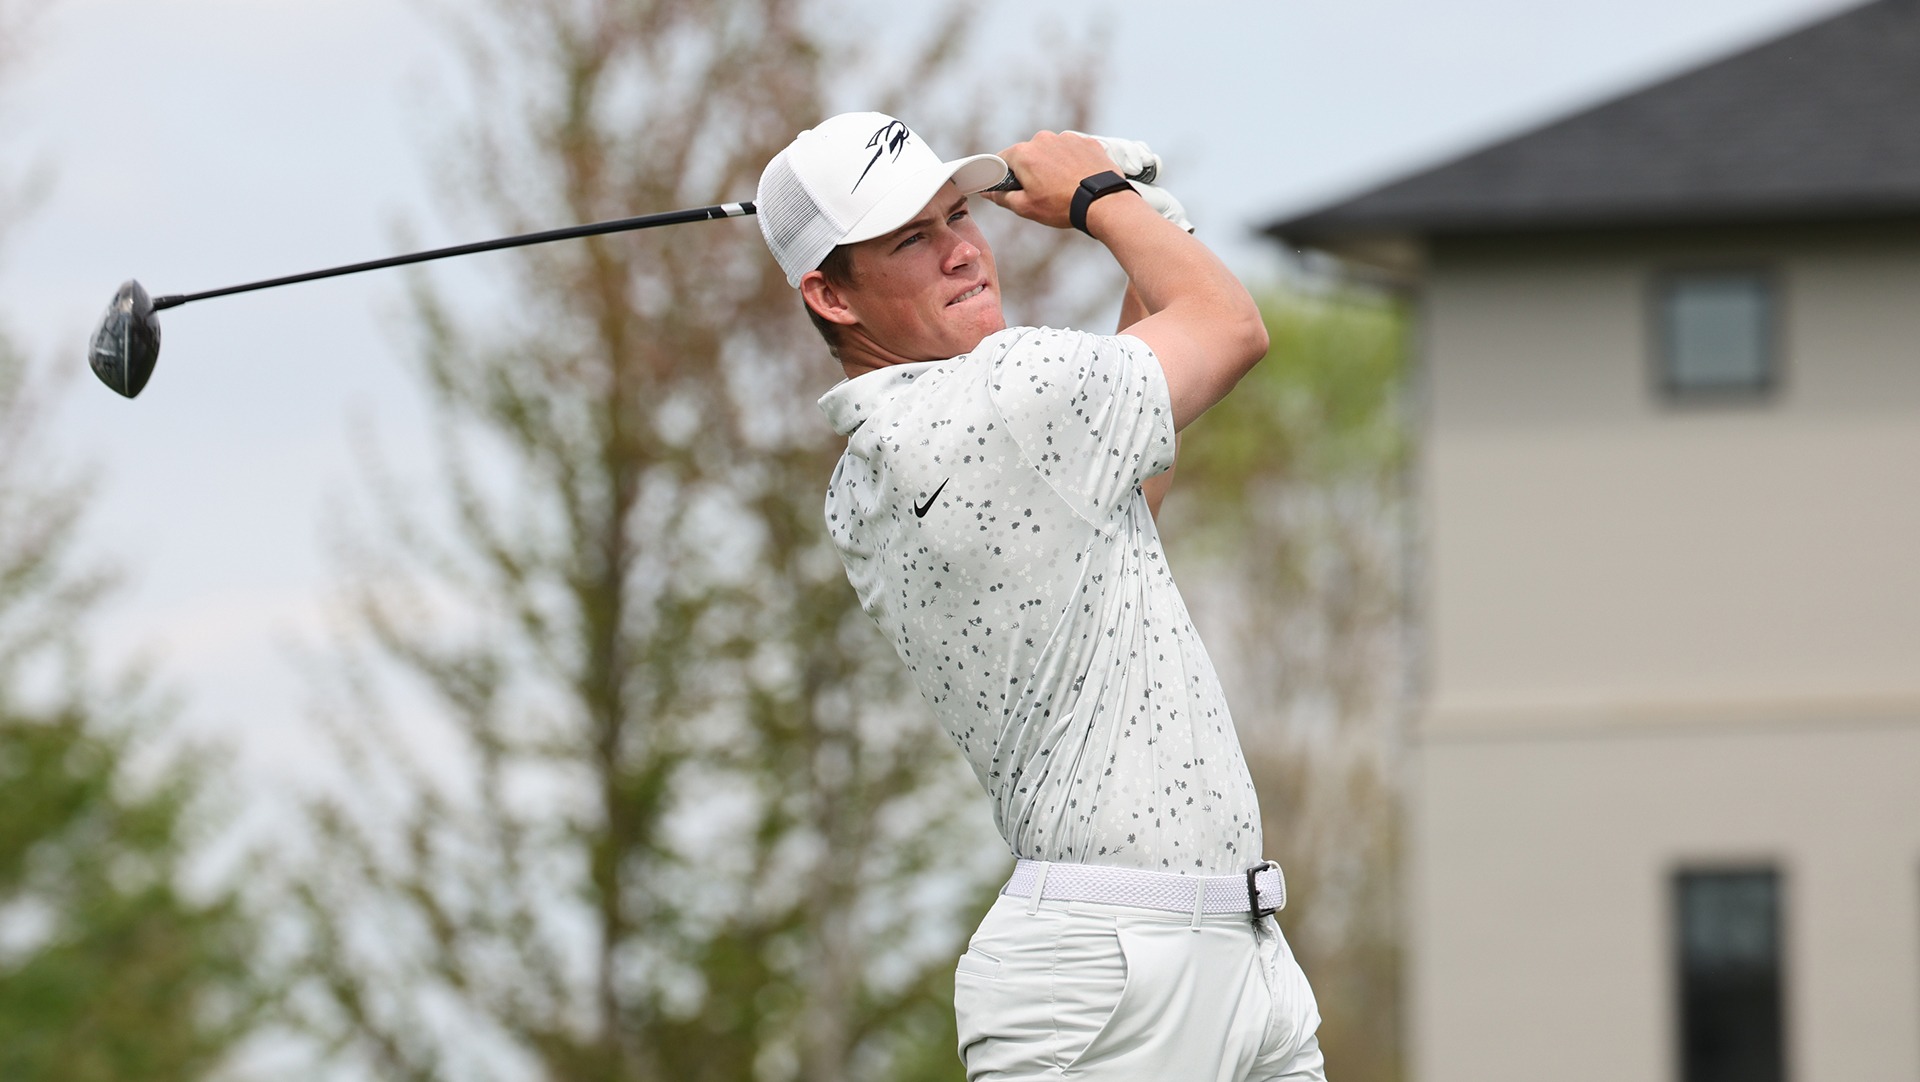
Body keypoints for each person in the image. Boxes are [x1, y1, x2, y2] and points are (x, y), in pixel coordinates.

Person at [756, 113, 1326, 1082]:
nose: (963, 251)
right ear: (829, 295)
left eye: (958, 214)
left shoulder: (876, 468)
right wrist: (1102, 200)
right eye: (909, 238)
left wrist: (1137, 208)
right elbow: (1231, 325)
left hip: (1222, 952)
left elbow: (1130, 488)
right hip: (1112, 976)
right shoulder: (1002, 395)